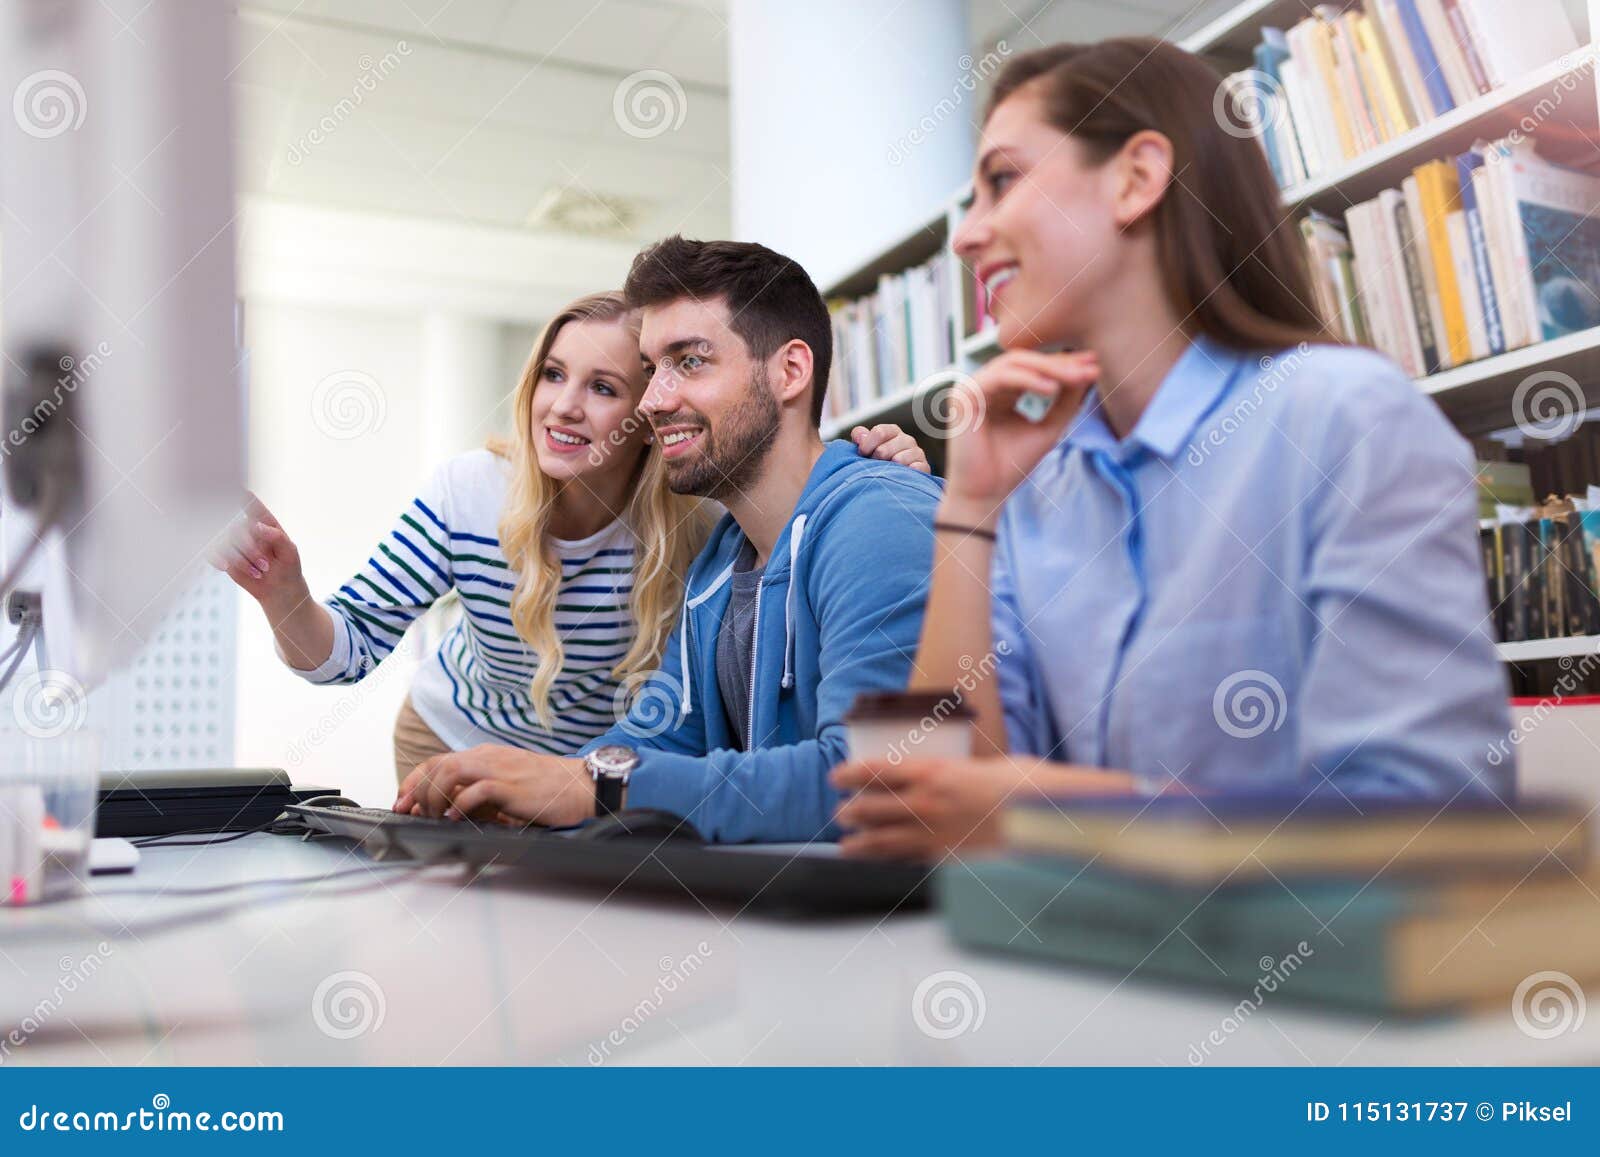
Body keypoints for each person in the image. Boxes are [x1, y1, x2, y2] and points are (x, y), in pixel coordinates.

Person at [831, 38, 1514, 860]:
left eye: (1003, 182)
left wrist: (1055, 811)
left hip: (1299, 982)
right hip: (1084, 968)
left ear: (1137, 177)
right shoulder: (1032, 479)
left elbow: (1435, 828)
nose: (967, 236)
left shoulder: (1347, 417)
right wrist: (968, 509)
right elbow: (935, 806)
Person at [213, 291, 929, 782]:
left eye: (602, 387)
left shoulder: (696, 530)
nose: (563, 405)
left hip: (591, 769)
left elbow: (794, 499)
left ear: (649, 411)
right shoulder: (469, 494)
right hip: (451, 740)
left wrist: (883, 466)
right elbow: (346, 653)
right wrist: (285, 594)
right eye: (553, 374)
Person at [395, 237, 945, 842]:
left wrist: (592, 788)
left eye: (689, 361)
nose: (652, 402)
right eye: (652, 368)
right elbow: (660, 735)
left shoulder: (881, 522)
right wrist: (532, 788)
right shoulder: (718, 561)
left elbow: (880, 783)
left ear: (790, 371)